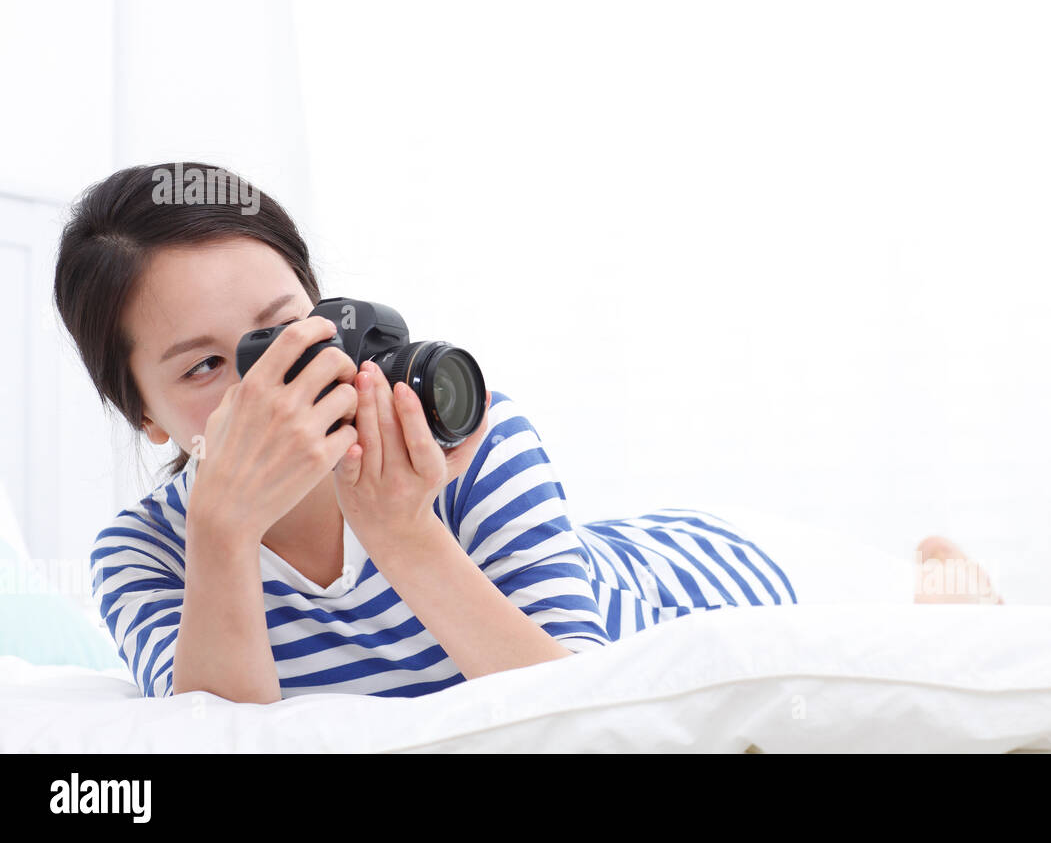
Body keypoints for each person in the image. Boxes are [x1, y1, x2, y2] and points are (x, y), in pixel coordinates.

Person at [55, 162, 1000, 704]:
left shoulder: (466, 447)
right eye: (205, 368)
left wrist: (401, 527)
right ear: (142, 411)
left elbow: (573, 704)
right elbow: (221, 733)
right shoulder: (143, 554)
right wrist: (221, 535)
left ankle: (935, 572)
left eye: (281, 329)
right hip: (595, 566)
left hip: (688, 585)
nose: (270, 384)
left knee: (934, 618)